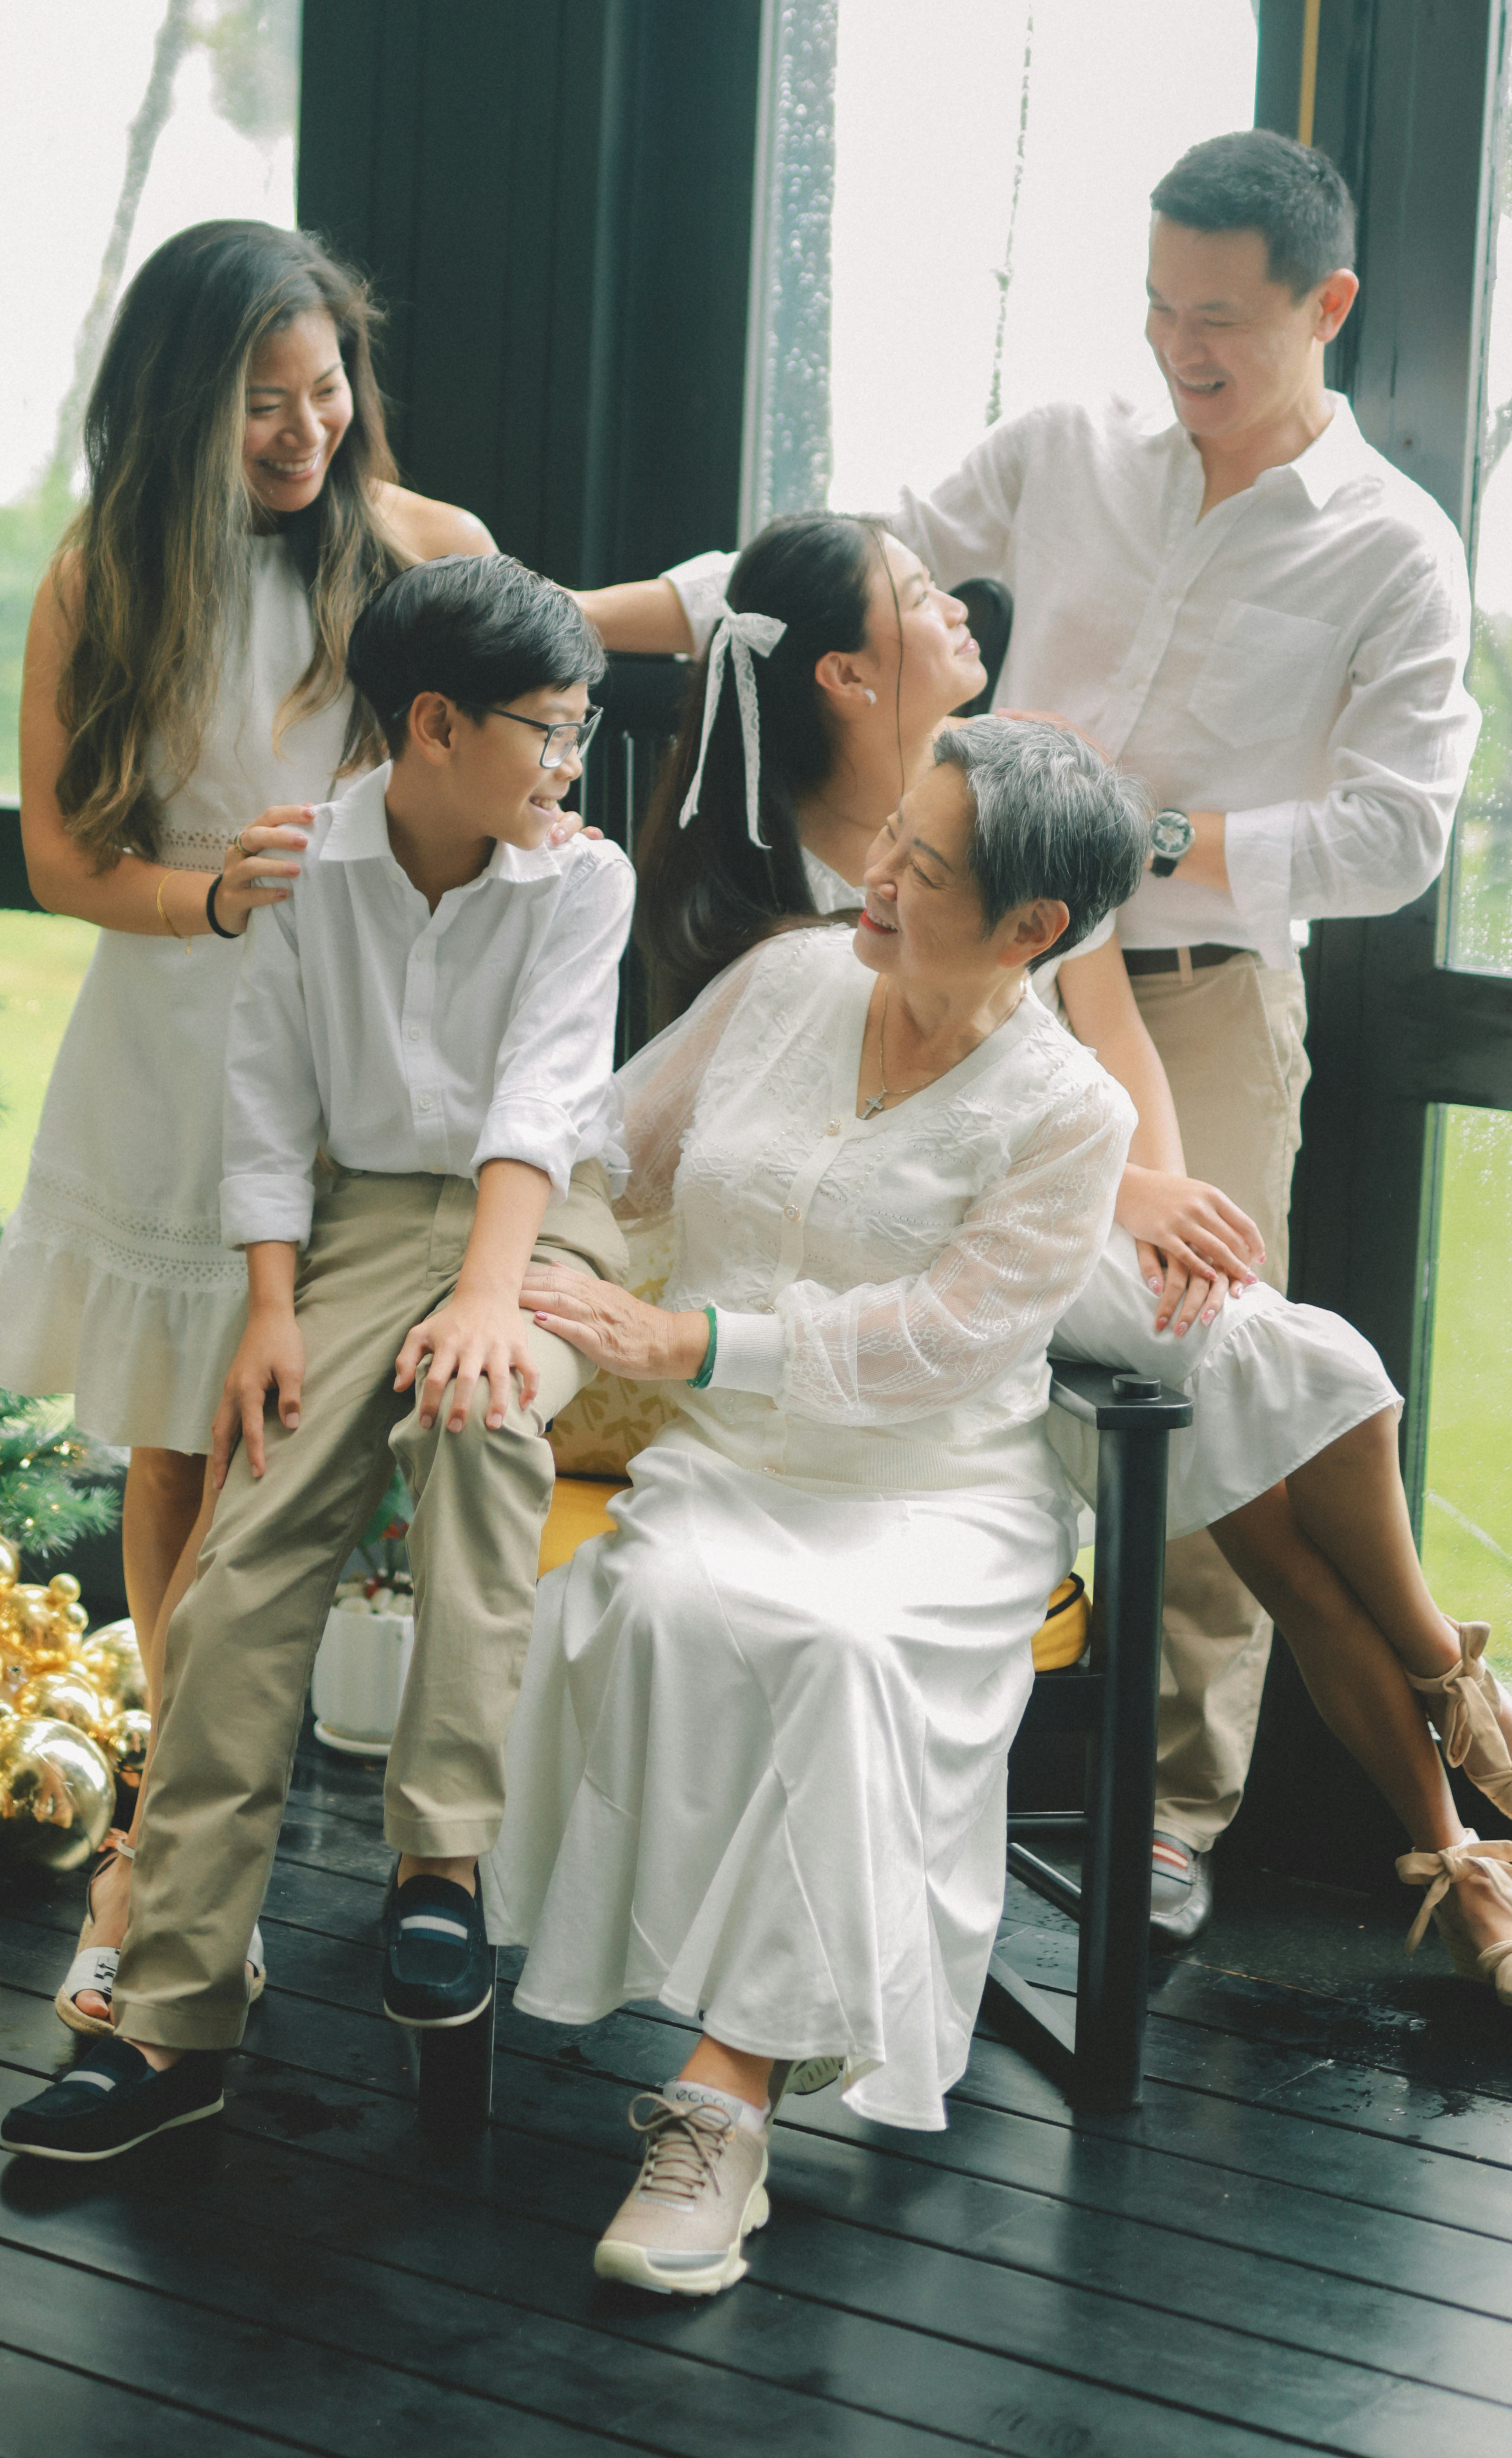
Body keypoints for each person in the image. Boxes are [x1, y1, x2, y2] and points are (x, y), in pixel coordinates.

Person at [582, 130, 1488, 1946]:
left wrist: (1136, 845)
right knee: (1165, 1371)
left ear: (1329, 309)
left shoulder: (1396, 549)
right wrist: (560, 625)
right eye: (1159, 308)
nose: (1181, 350)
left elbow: (1400, 832)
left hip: (1186, 995)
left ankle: (1171, 1810)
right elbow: (816, 576)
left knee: (1201, 1364)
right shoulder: (1068, 454)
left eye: (1221, 320)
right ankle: (1433, 1718)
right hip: (953, 968)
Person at [633, 510, 1512, 2013]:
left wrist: (1147, 1184)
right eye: (916, 594)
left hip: (1071, 1200)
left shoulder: (1013, 804)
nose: (960, 603)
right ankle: (1451, 1703)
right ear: (837, 673)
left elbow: (1114, 1032)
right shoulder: (776, 879)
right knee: (1306, 1384)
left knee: (1275, 1510)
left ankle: (1455, 1844)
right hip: (920, 1256)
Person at [487, 717, 1146, 2289]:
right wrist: (540, 1283)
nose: (874, 869)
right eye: (889, 835)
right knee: (653, 1602)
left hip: (934, 1496)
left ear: (1032, 930)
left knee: (839, 1654)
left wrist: (691, 1338)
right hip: (732, 1464)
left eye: (922, 865)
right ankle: (693, 2039)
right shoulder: (788, 980)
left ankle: (724, 2106)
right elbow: (609, 1149)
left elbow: (941, 1346)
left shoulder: (1069, 1112)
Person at [0, 555, 637, 2163]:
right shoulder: (298, 871)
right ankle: (169, 2029)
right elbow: (267, 1103)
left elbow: (537, 1116)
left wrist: (492, 1306)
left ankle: (442, 1864)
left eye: (580, 730)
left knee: (484, 1422)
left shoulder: (580, 880)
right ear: (432, 724)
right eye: (549, 731)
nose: (570, 763)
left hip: (539, 1228)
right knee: (243, 1562)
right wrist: (268, 1311)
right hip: (343, 1235)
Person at [0, 220, 490, 2028]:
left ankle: (177, 1855)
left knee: (284, 1463)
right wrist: (209, 894)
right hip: (172, 1051)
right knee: (180, 1454)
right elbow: (59, 856)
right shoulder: (100, 576)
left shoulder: (420, 548)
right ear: (181, 401)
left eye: (328, 387)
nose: (305, 430)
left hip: (348, 1062)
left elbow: (525, 708)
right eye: (264, 401)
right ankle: (167, 1857)